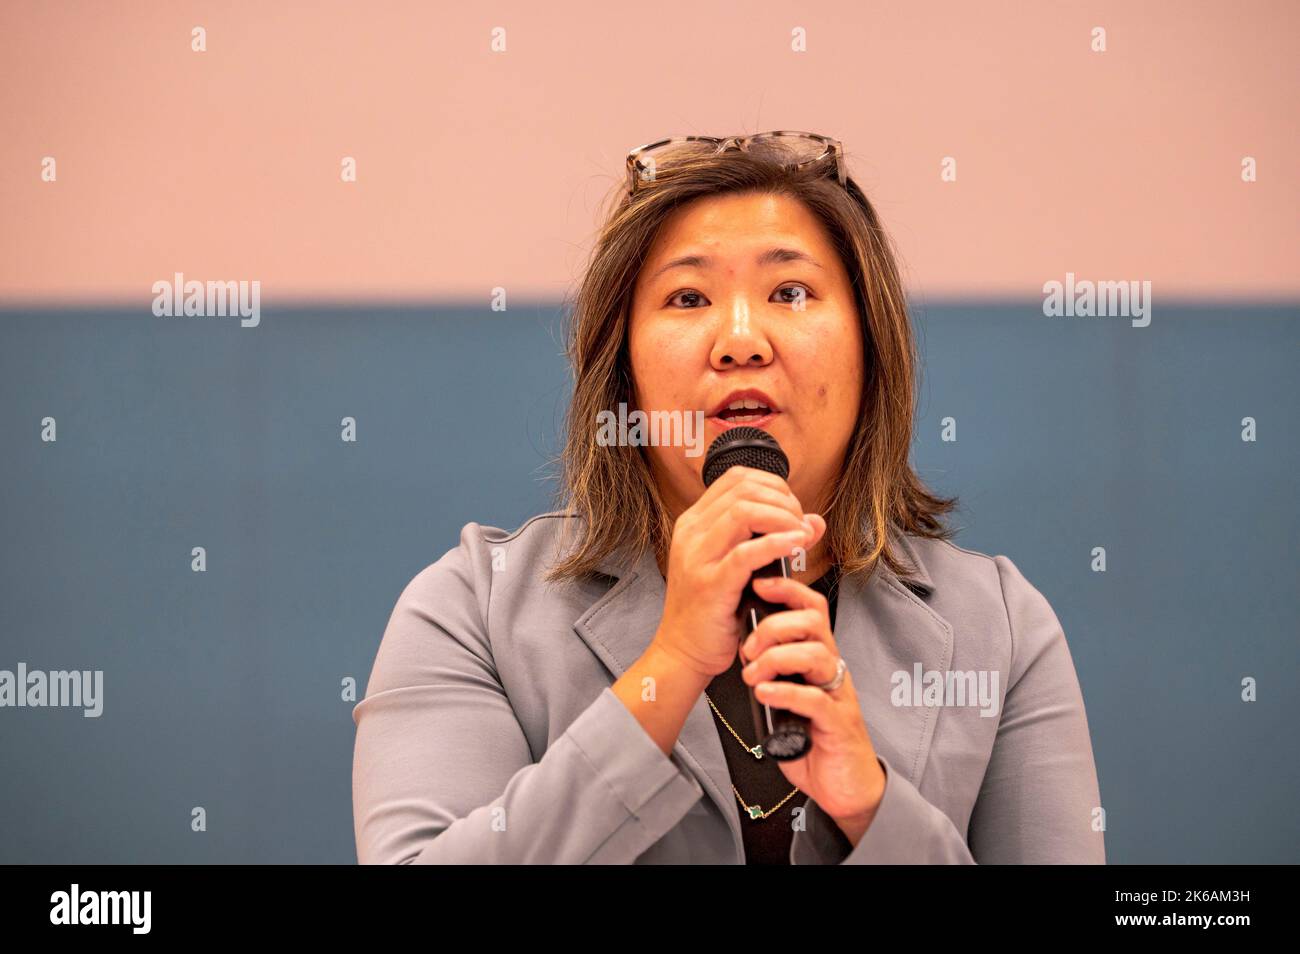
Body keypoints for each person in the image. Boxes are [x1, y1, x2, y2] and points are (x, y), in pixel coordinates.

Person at [350, 132, 1106, 864]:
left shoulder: (999, 627)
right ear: (623, 368)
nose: (740, 339)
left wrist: (872, 811)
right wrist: (670, 666)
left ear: (870, 348)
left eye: (790, 291)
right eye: (687, 297)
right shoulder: (474, 609)